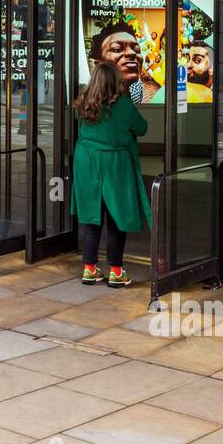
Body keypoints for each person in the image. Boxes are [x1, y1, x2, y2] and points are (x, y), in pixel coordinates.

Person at [71, 58, 151, 288]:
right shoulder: (124, 105)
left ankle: (89, 269)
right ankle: (116, 272)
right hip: (116, 164)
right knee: (117, 216)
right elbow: (142, 128)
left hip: (86, 162)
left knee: (92, 217)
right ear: (116, 81)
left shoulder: (84, 103)